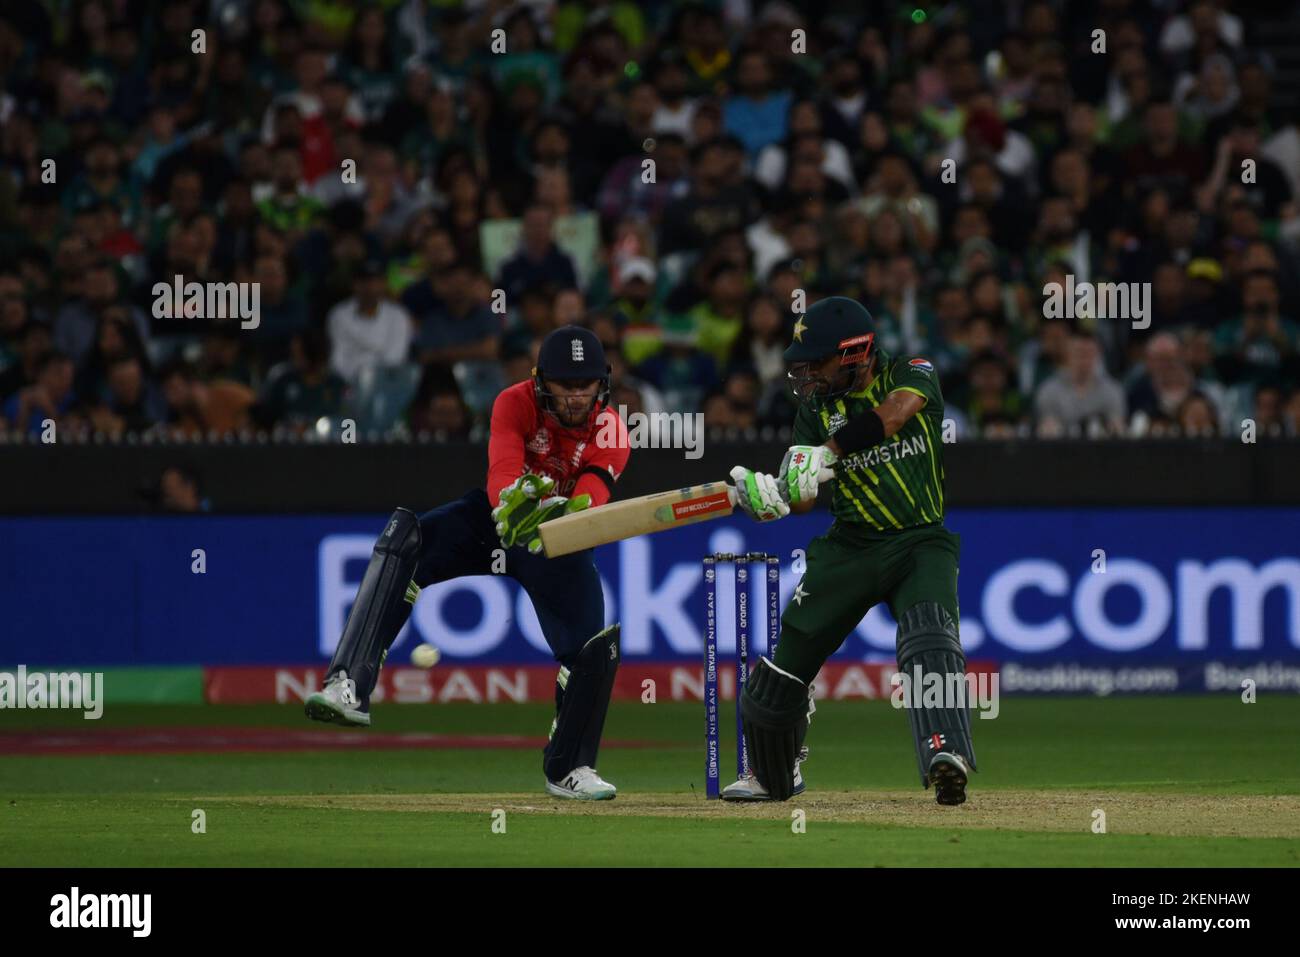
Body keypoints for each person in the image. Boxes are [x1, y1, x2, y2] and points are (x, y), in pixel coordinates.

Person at [305, 326, 630, 800]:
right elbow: (501, 473)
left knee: (593, 648)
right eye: (566, 384)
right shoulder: (513, 402)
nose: (577, 396)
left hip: (554, 538)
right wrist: (511, 508)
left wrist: (562, 517)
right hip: (496, 520)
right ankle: (348, 684)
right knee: (407, 539)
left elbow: (592, 498)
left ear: (602, 383)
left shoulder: (612, 429)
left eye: (585, 385)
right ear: (542, 381)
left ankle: (570, 768)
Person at [725, 296, 976, 805]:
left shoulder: (911, 371)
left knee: (929, 634)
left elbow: (894, 415)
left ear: (855, 353)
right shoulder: (815, 411)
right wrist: (769, 497)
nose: (808, 374)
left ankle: (945, 752)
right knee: (781, 670)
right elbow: (803, 498)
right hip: (851, 546)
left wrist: (831, 451)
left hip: (919, 540)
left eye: (816, 362)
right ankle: (774, 774)